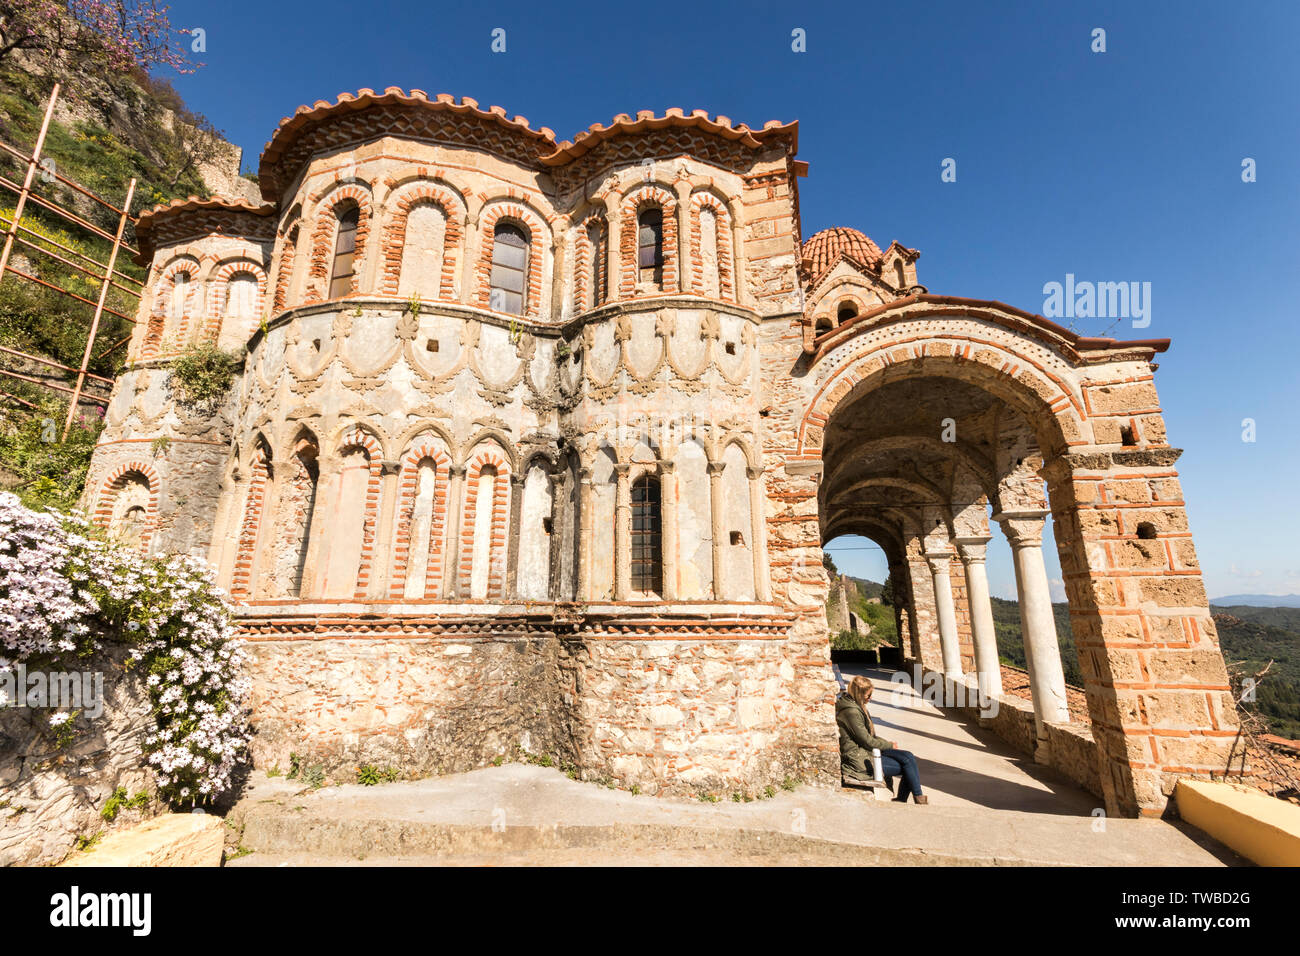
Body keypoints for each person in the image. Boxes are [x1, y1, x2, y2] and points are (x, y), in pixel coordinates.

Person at [835, 674, 927, 804]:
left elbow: (869, 737)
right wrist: (889, 745)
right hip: (858, 758)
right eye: (868, 695)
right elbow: (867, 741)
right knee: (908, 766)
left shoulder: (857, 706)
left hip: (866, 751)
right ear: (859, 694)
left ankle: (908, 799)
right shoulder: (852, 712)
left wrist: (888, 744)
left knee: (908, 756)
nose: (871, 698)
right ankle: (913, 799)